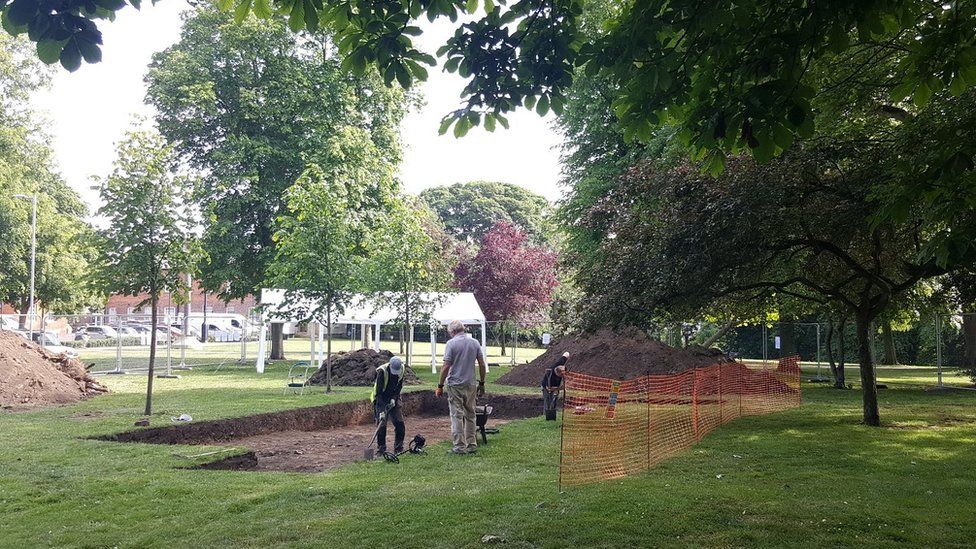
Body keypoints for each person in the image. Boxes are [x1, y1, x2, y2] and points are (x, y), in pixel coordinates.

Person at [435, 319, 487, 454]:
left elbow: (446, 366)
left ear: (453, 331)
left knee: (457, 416)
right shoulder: (474, 342)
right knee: (471, 415)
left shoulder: (451, 344)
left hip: (455, 385)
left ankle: (459, 447)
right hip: (471, 384)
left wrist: (440, 385)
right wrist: (482, 382)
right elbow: (482, 364)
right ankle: (472, 445)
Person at [372, 356, 406, 455]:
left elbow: (399, 386)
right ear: (390, 366)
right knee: (381, 424)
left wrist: (394, 399)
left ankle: (398, 448)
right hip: (381, 398)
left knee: (399, 423)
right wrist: (381, 411)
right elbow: (378, 393)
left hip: (393, 397)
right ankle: (381, 450)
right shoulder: (382, 372)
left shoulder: (402, 369)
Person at [541, 352, 570, 419]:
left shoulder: (560, 363)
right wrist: (560, 388)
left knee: (554, 401)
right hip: (547, 387)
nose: (563, 376)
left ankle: (553, 416)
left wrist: (567, 356)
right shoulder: (550, 377)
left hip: (556, 387)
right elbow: (549, 389)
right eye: (561, 375)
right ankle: (546, 416)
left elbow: (566, 353)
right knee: (548, 401)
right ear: (557, 373)